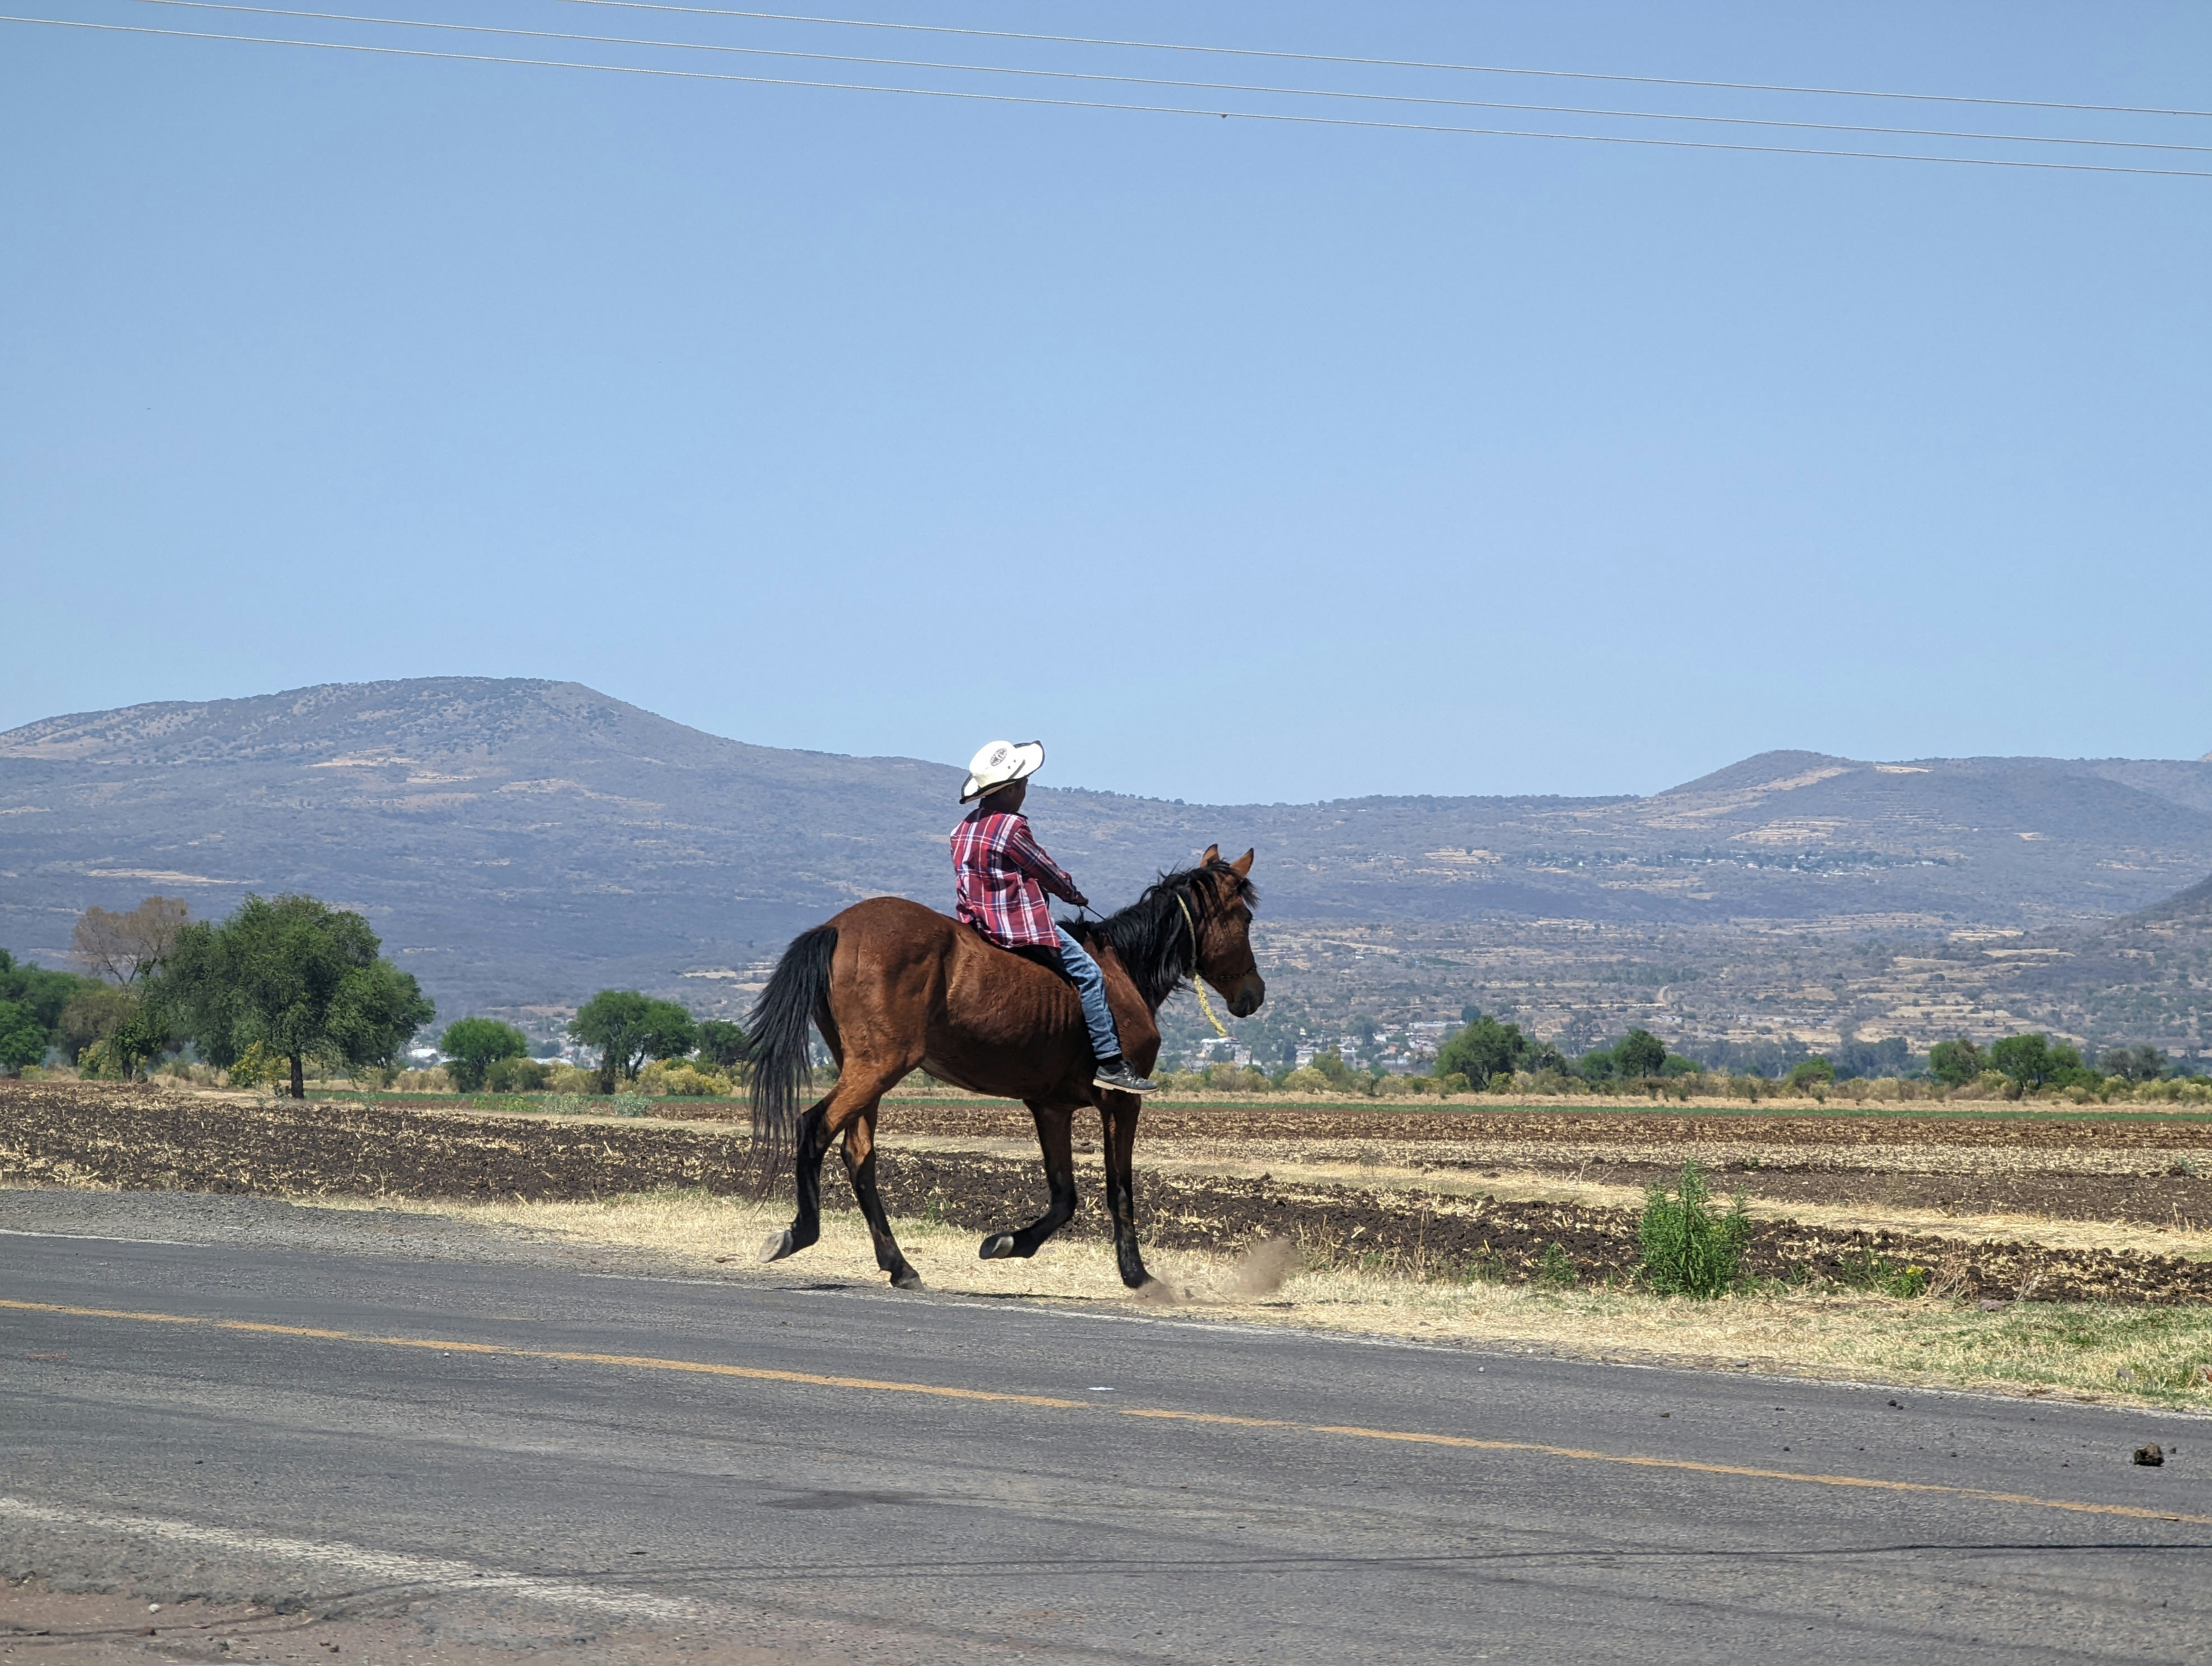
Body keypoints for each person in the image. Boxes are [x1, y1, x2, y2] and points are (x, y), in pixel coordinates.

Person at [951, 739, 1156, 1094]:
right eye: (1025, 784)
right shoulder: (1011, 828)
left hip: (978, 924)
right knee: (1091, 974)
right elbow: (1044, 869)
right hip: (1017, 926)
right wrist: (1072, 894)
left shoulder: (963, 829)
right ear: (1013, 789)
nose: (1026, 791)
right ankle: (1109, 1062)